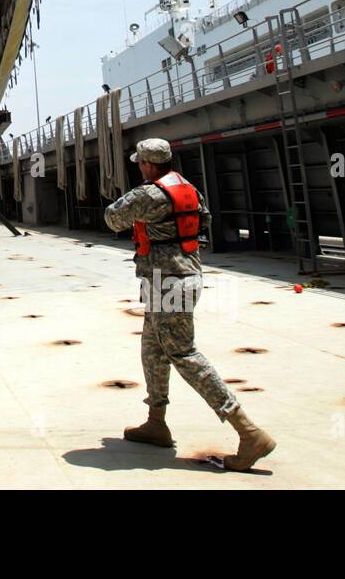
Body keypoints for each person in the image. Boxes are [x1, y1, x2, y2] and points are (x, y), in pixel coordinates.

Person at [104, 137, 276, 471]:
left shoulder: (149, 194)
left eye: (141, 162)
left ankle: (248, 431)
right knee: (152, 348)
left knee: (183, 354)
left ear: (149, 165)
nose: (139, 166)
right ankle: (156, 422)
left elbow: (112, 218)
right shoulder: (189, 190)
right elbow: (205, 222)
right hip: (177, 278)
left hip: (168, 284)